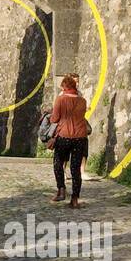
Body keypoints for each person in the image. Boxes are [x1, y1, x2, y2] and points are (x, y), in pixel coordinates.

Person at [49, 74, 90, 208]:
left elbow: (54, 119)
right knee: (75, 168)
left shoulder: (60, 99)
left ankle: (61, 190)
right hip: (80, 137)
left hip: (64, 136)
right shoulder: (82, 101)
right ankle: (75, 199)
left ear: (64, 87)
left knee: (58, 163)